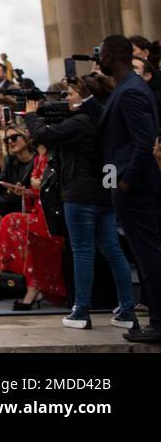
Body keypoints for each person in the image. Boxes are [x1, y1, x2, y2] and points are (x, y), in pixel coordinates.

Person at [27, 78, 137, 331]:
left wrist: (32, 116)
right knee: (113, 251)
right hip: (103, 194)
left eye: (72, 93)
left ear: (86, 96)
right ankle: (127, 309)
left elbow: (44, 135)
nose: (67, 98)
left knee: (82, 251)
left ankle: (81, 310)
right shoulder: (108, 120)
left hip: (79, 195)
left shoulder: (80, 122)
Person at [82, 34, 161, 343]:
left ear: (114, 54)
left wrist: (125, 182)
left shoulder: (131, 91)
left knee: (148, 255)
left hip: (137, 189)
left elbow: (143, 143)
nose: (97, 57)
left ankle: (158, 322)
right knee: (142, 256)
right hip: (123, 183)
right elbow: (114, 137)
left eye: (101, 52)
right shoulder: (123, 89)